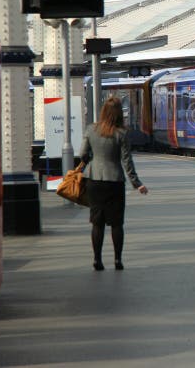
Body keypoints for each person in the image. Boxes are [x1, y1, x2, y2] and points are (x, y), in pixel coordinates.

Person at [79, 97, 148, 271]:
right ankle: (118, 260)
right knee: (117, 224)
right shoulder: (122, 133)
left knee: (97, 223)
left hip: (94, 180)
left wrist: (90, 160)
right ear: (119, 114)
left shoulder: (91, 130)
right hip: (115, 181)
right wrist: (136, 183)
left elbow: (82, 154)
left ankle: (97, 260)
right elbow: (127, 161)